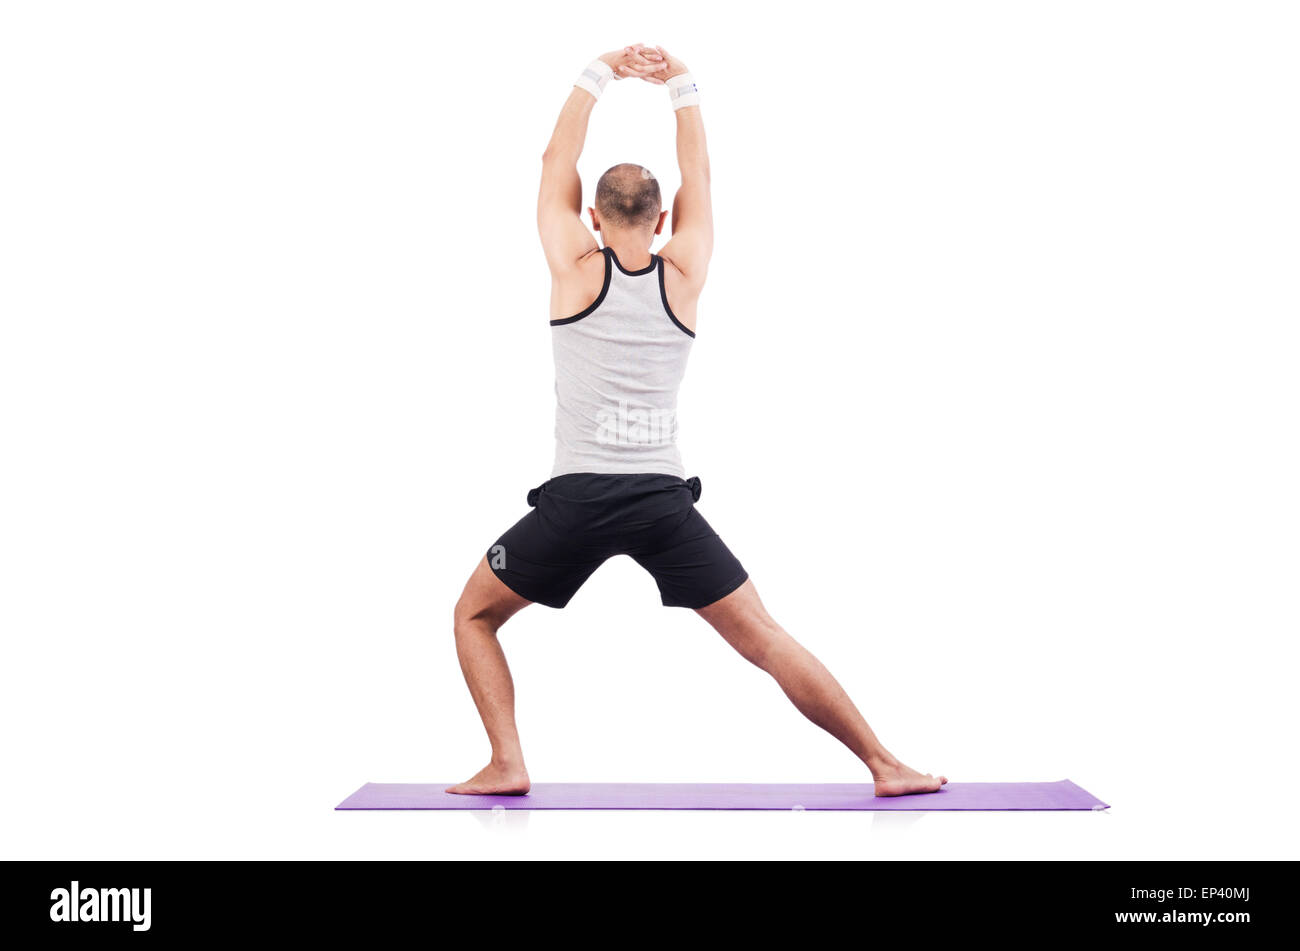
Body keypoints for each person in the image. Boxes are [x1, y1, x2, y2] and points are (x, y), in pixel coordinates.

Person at [449, 45, 947, 798]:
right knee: (766, 637)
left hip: (576, 501)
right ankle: (884, 763)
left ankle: (508, 760)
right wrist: (679, 83)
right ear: (663, 218)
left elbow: (556, 156)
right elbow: (701, 179)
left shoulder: (573, 266)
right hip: (661, 502)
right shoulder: (684, 273)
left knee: (473, 616)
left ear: (591, 216)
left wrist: (599, 71)